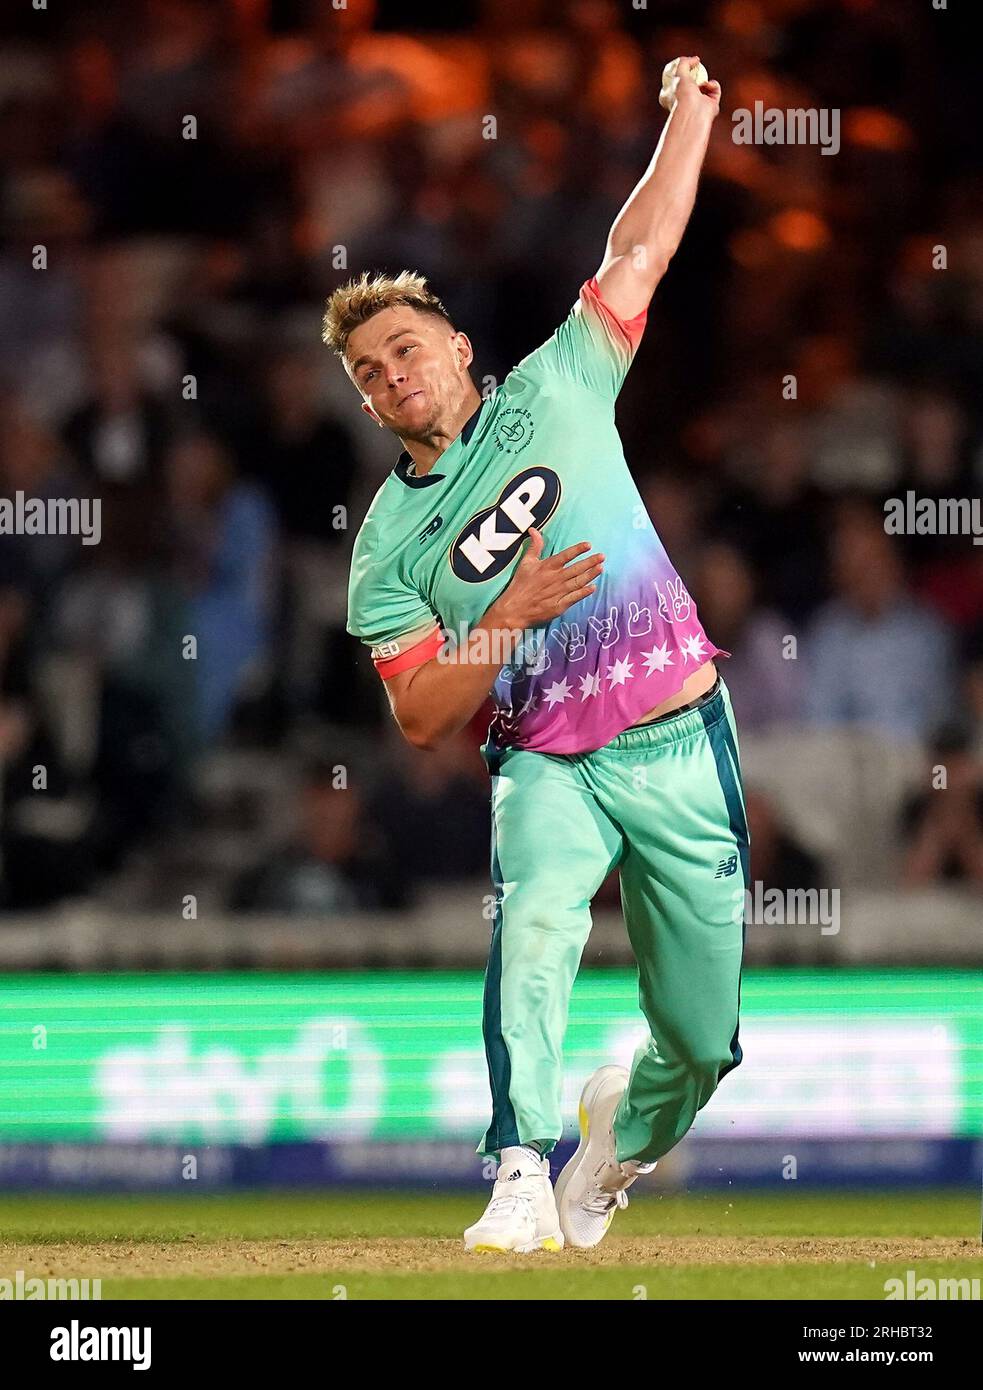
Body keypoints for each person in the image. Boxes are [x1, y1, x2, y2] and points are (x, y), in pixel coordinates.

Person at [326, 58, 746, 1253]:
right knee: (537, 927)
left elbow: (640, 248)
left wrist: (689, 122)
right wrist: (506, 614)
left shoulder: (560, 380)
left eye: (406, 348)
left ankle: (611, 1143)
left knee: (703, 1036)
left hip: (681, 735)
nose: (392, 374)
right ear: (365, 406)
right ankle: (517, 1169)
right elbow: (415, 718)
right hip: (546, 757)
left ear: (457, 348)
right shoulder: (386, 548)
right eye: (368, 373)